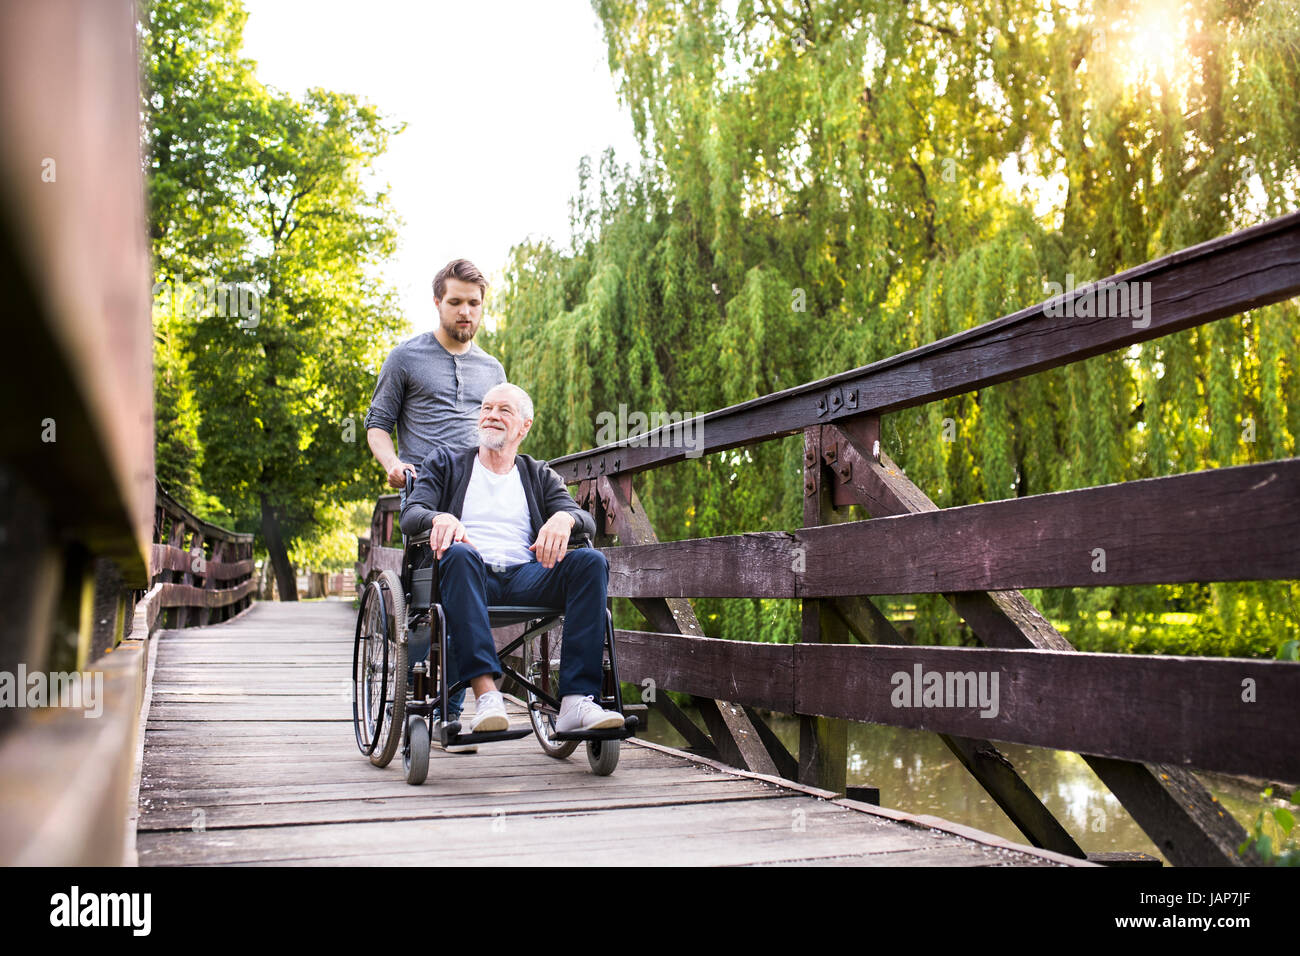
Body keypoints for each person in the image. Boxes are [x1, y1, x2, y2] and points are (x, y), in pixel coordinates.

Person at [400, 383, 625, 735]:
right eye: (486, 408)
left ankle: (576, 701)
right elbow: (412, 513)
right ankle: (487, 695)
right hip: (466, 576)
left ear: (525, 425)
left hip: (526, 577)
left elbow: (586, 521)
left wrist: (564, 518)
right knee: (460, 553)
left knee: (591, 562)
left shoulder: (539, 474)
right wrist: (437, 518)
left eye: (504, 410)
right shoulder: (445, 462)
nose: (491, 415)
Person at [365, 258, 505, 746]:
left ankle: (466, 700)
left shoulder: (493, 368)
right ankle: (438, 702)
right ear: (437, 302)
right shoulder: (405, 359)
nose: (466, 312)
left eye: (474, 304)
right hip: (427, 493)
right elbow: (377, 423)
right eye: (456, 302)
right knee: (432, 600)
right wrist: (392, 463)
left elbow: (502, 434)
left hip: (482, 497)